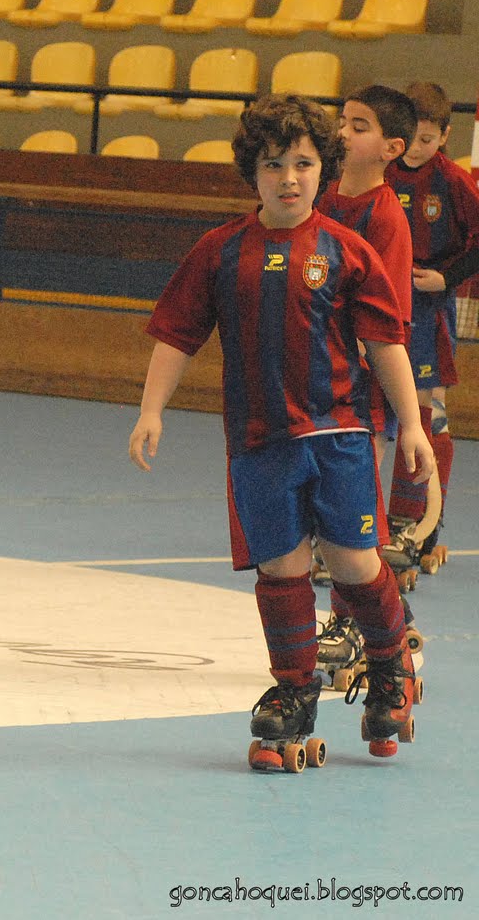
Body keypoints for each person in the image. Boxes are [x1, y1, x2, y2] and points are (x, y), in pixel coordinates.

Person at [128, 95, 433, 766]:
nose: (289, 178)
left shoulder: (347, 250)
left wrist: (410, 422)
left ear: (324, 169)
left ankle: (390, 664)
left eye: (303, 164)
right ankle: (294, 690)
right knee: (282, 566)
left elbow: (386, 340)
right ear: (253, 173)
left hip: (339, 437)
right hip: (259, 444)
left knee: (354, 564)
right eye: (274, 165)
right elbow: (178, 333)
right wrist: (153, 409)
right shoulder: (220, 250)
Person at [310, 85, 416, 677]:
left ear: (390, 148)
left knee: (353, 514)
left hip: (364, 397)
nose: (343, 133)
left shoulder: (386, 218)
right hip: (318, 389)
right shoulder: (320, 198)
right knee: (324, 514)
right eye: (342, 121)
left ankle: (356, 624)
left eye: (359, 125)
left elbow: (387, 321)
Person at [383, 81, 479, 577]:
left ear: (444, 135)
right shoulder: (377, 173)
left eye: (427, 139)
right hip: (378, 304)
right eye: (409, 139)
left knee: (424, 413)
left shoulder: (454, 182)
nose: (416, 149)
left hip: (426, 311)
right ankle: (356, 522)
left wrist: (448, 277)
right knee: (366, 412)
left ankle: (417, 525)